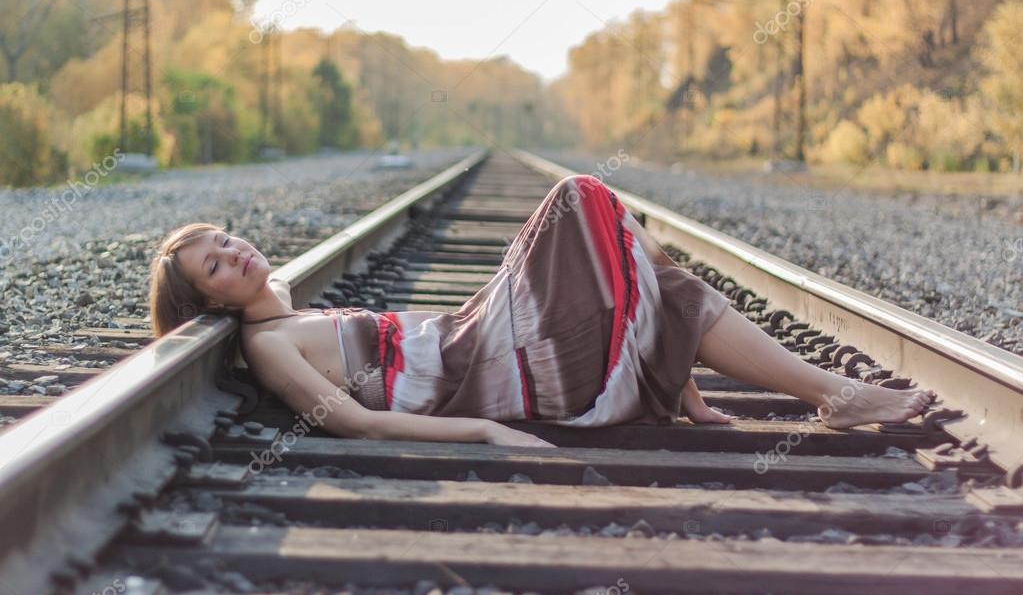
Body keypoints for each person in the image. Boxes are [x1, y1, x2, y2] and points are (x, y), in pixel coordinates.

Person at [148, 174, 935, 448]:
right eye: (215, 265)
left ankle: (815, 395)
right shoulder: (268, 346)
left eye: (225, 239)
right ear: (205, 299)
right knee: (578, 199)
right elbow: (354, 425)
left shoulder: (282, 305)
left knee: (664, 284)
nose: (236, 252)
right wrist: (487, 430)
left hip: (481, 337)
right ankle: (707, 382)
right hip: (493, 372)